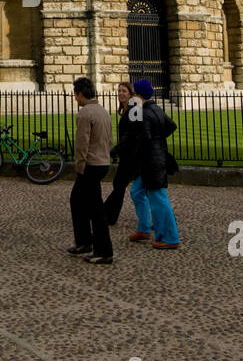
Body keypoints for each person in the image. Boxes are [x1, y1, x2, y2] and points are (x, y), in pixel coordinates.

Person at [127, 79, 181, 249]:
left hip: (151, 160)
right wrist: (159, 138)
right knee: (136, 191)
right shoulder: (155, 108)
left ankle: (170, 237)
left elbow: (144, 138)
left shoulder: (143, 113)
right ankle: (144, 229)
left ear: (139, 95)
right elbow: (171, 126)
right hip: (154, 157)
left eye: (134, 93)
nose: (132, 96)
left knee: (159, 198)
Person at [68, 75, 114, 265]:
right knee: (77, 200)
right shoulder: (103, 111)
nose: (75, 98)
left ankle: (103, 251)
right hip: (102, 162)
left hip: (90, 165)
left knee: (95, 210)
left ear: (80, 94)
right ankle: (84, 242)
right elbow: (109, 140)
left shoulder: (86, 113)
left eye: (75, 95)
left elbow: (81, 144)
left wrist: (80, 166)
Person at [104, 81, 139, 225]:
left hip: (134, 156)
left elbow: (132, 135)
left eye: (124, 91)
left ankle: (106, 214)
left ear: (131, 94)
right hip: (127, 154)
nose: (120, 94)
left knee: (120, 185)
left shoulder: (135, 110)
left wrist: (114, 150)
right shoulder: (126, 109)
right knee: (123, 186)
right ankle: (109, 215)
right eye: (119, 91)